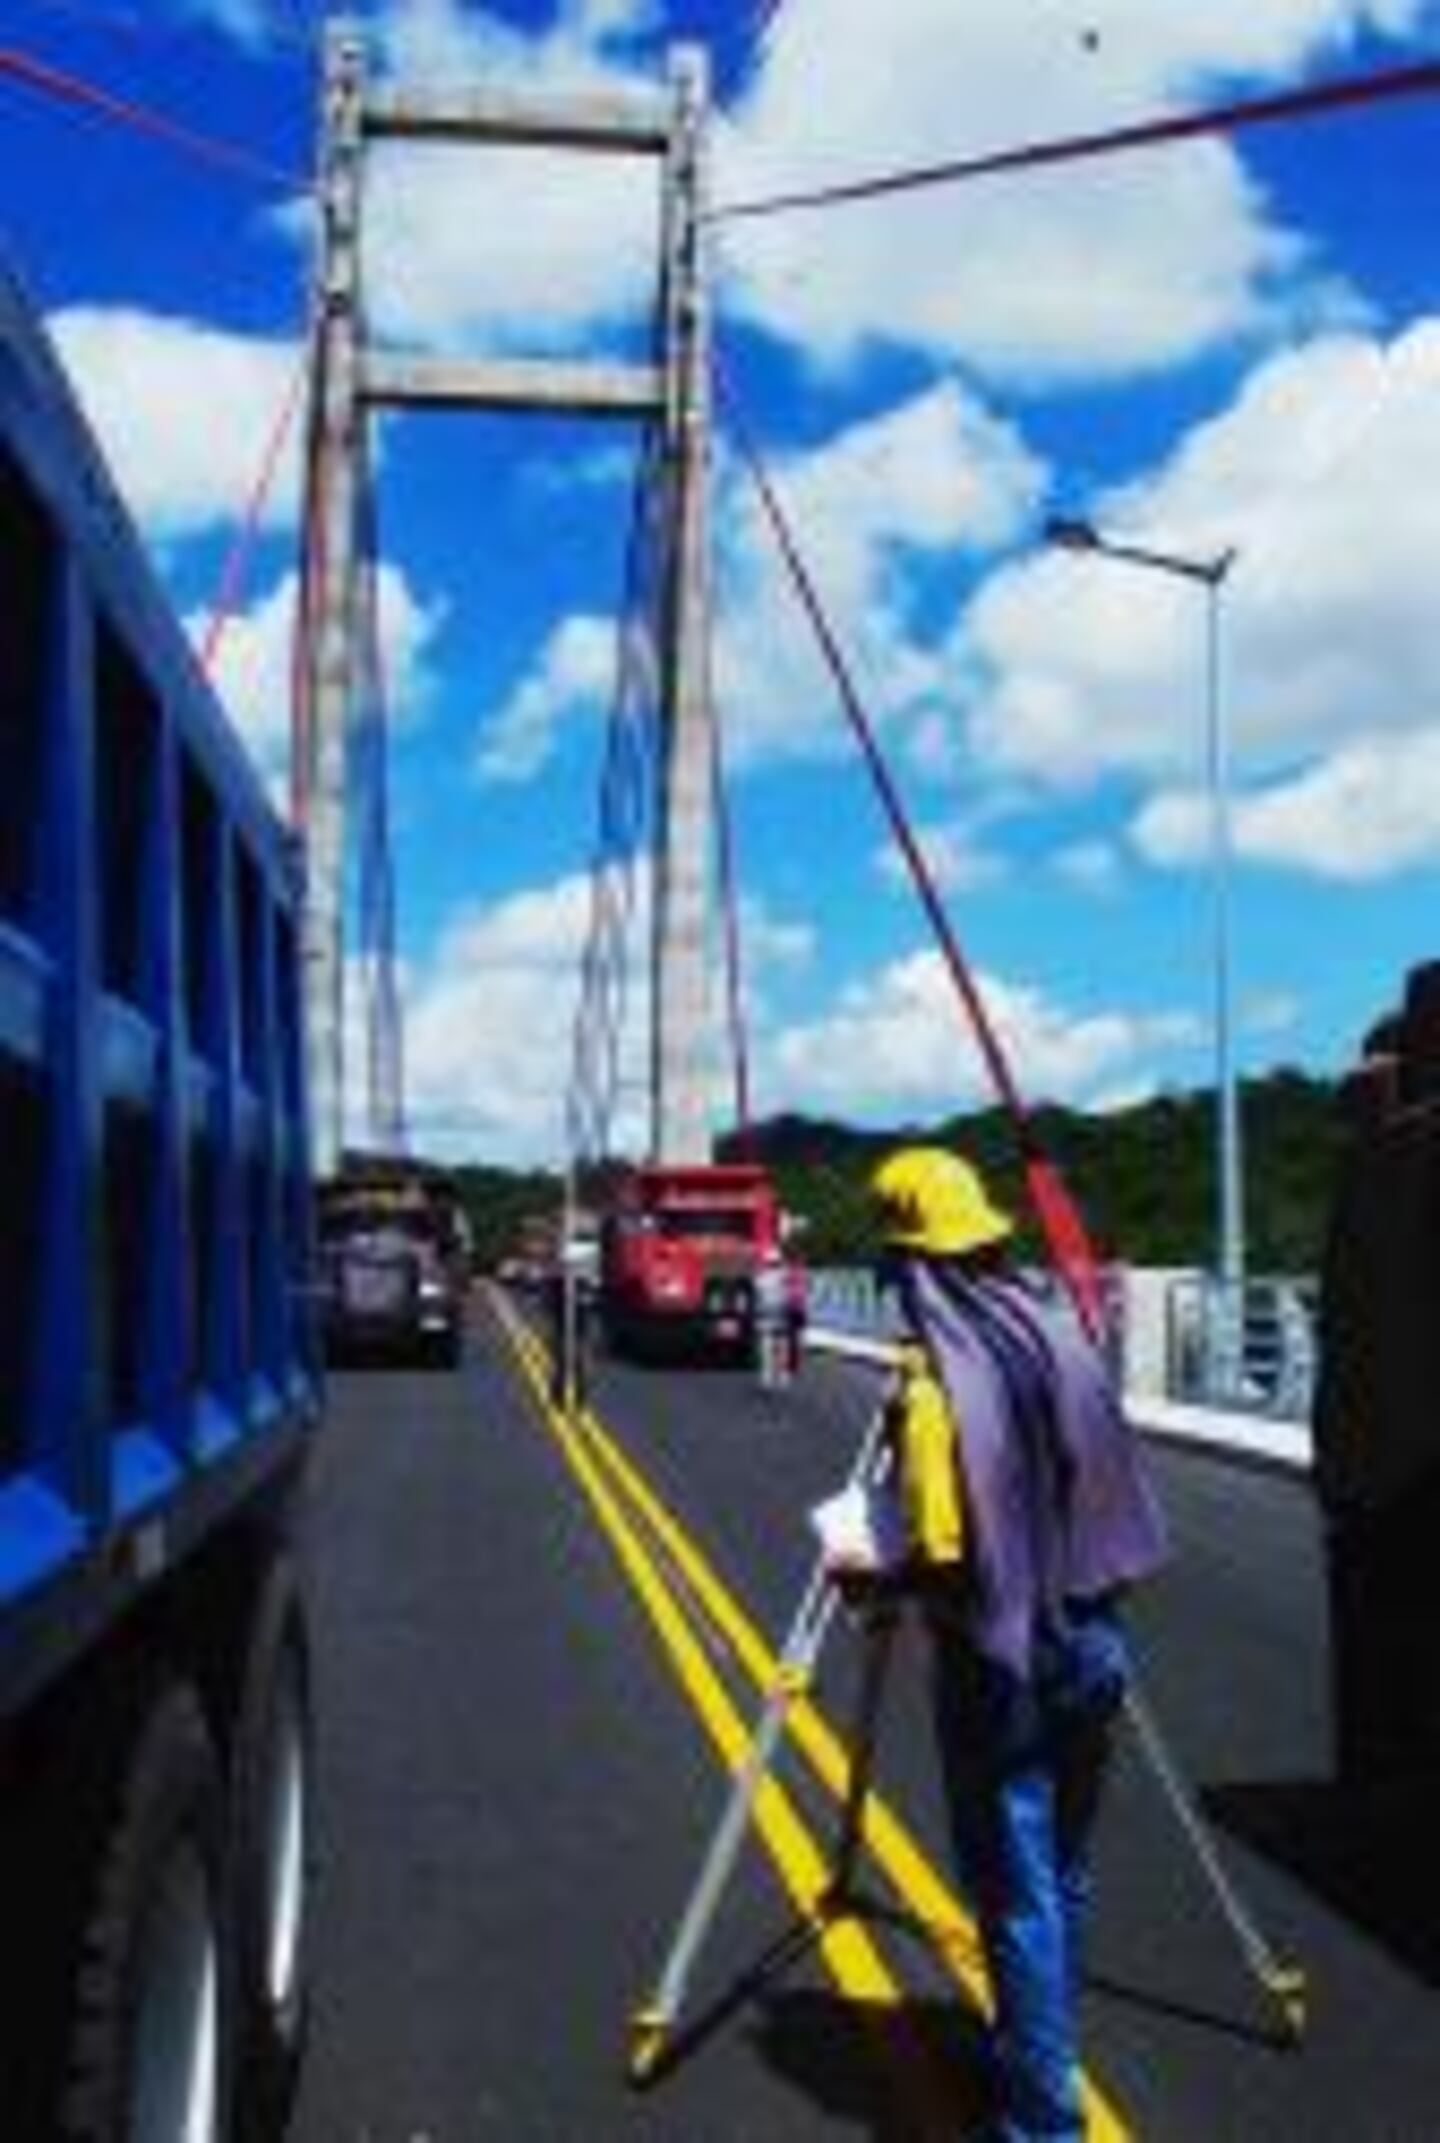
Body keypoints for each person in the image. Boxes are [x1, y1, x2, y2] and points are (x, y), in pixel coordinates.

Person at [868, 1146, 1168, 2143]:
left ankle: (1042, 2115)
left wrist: (880, 1568)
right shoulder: (1060, 1334)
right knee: (1063, 1872)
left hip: (1005, 1663)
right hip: (1096, 1639)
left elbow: (947, 1550)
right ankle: (1037, 2045)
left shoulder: (935, 1379)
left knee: (1014, 1887)